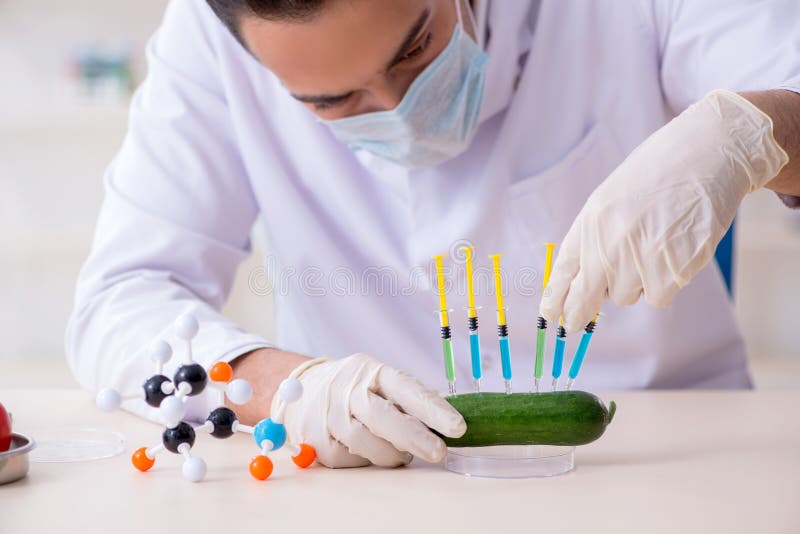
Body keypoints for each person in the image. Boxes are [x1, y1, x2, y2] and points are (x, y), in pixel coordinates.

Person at [66, 0, 800, 468]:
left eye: (416, 47)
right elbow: (121, 301)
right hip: (367, 481)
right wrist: (290, 387)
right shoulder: (210, 40)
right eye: (333, 100)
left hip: (669, 454)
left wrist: (749, 132)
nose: (400, 108)